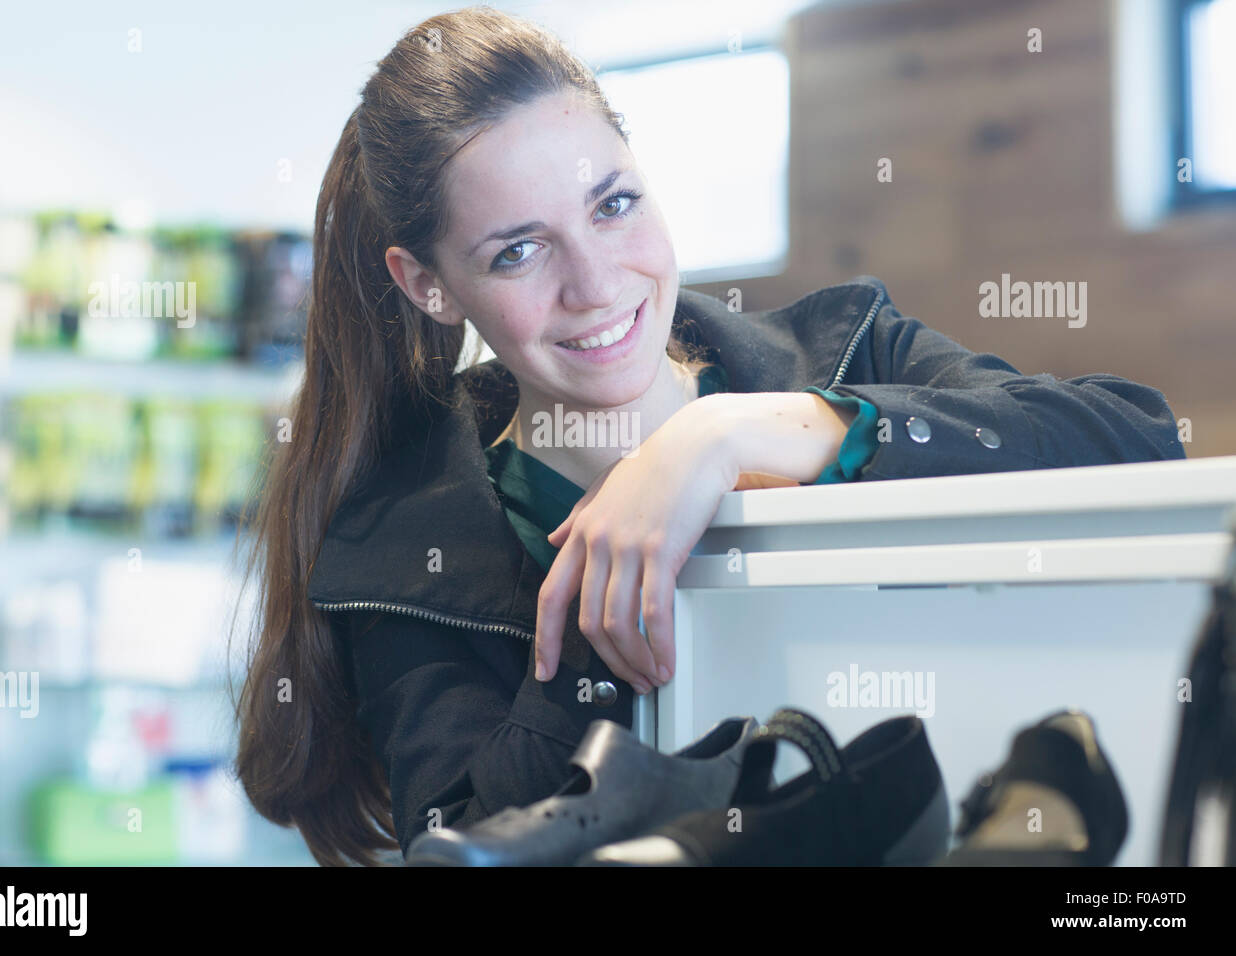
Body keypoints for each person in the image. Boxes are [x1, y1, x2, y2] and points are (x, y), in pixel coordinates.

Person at [233, 6, 1186, 866]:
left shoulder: (851, 346)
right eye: (518, 250)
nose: (597, 283)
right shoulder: (406, 552)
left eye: (614, 204)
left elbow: (1135, 440)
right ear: (428, 285)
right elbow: (473, 840)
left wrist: (735, 437)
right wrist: (605, 607)